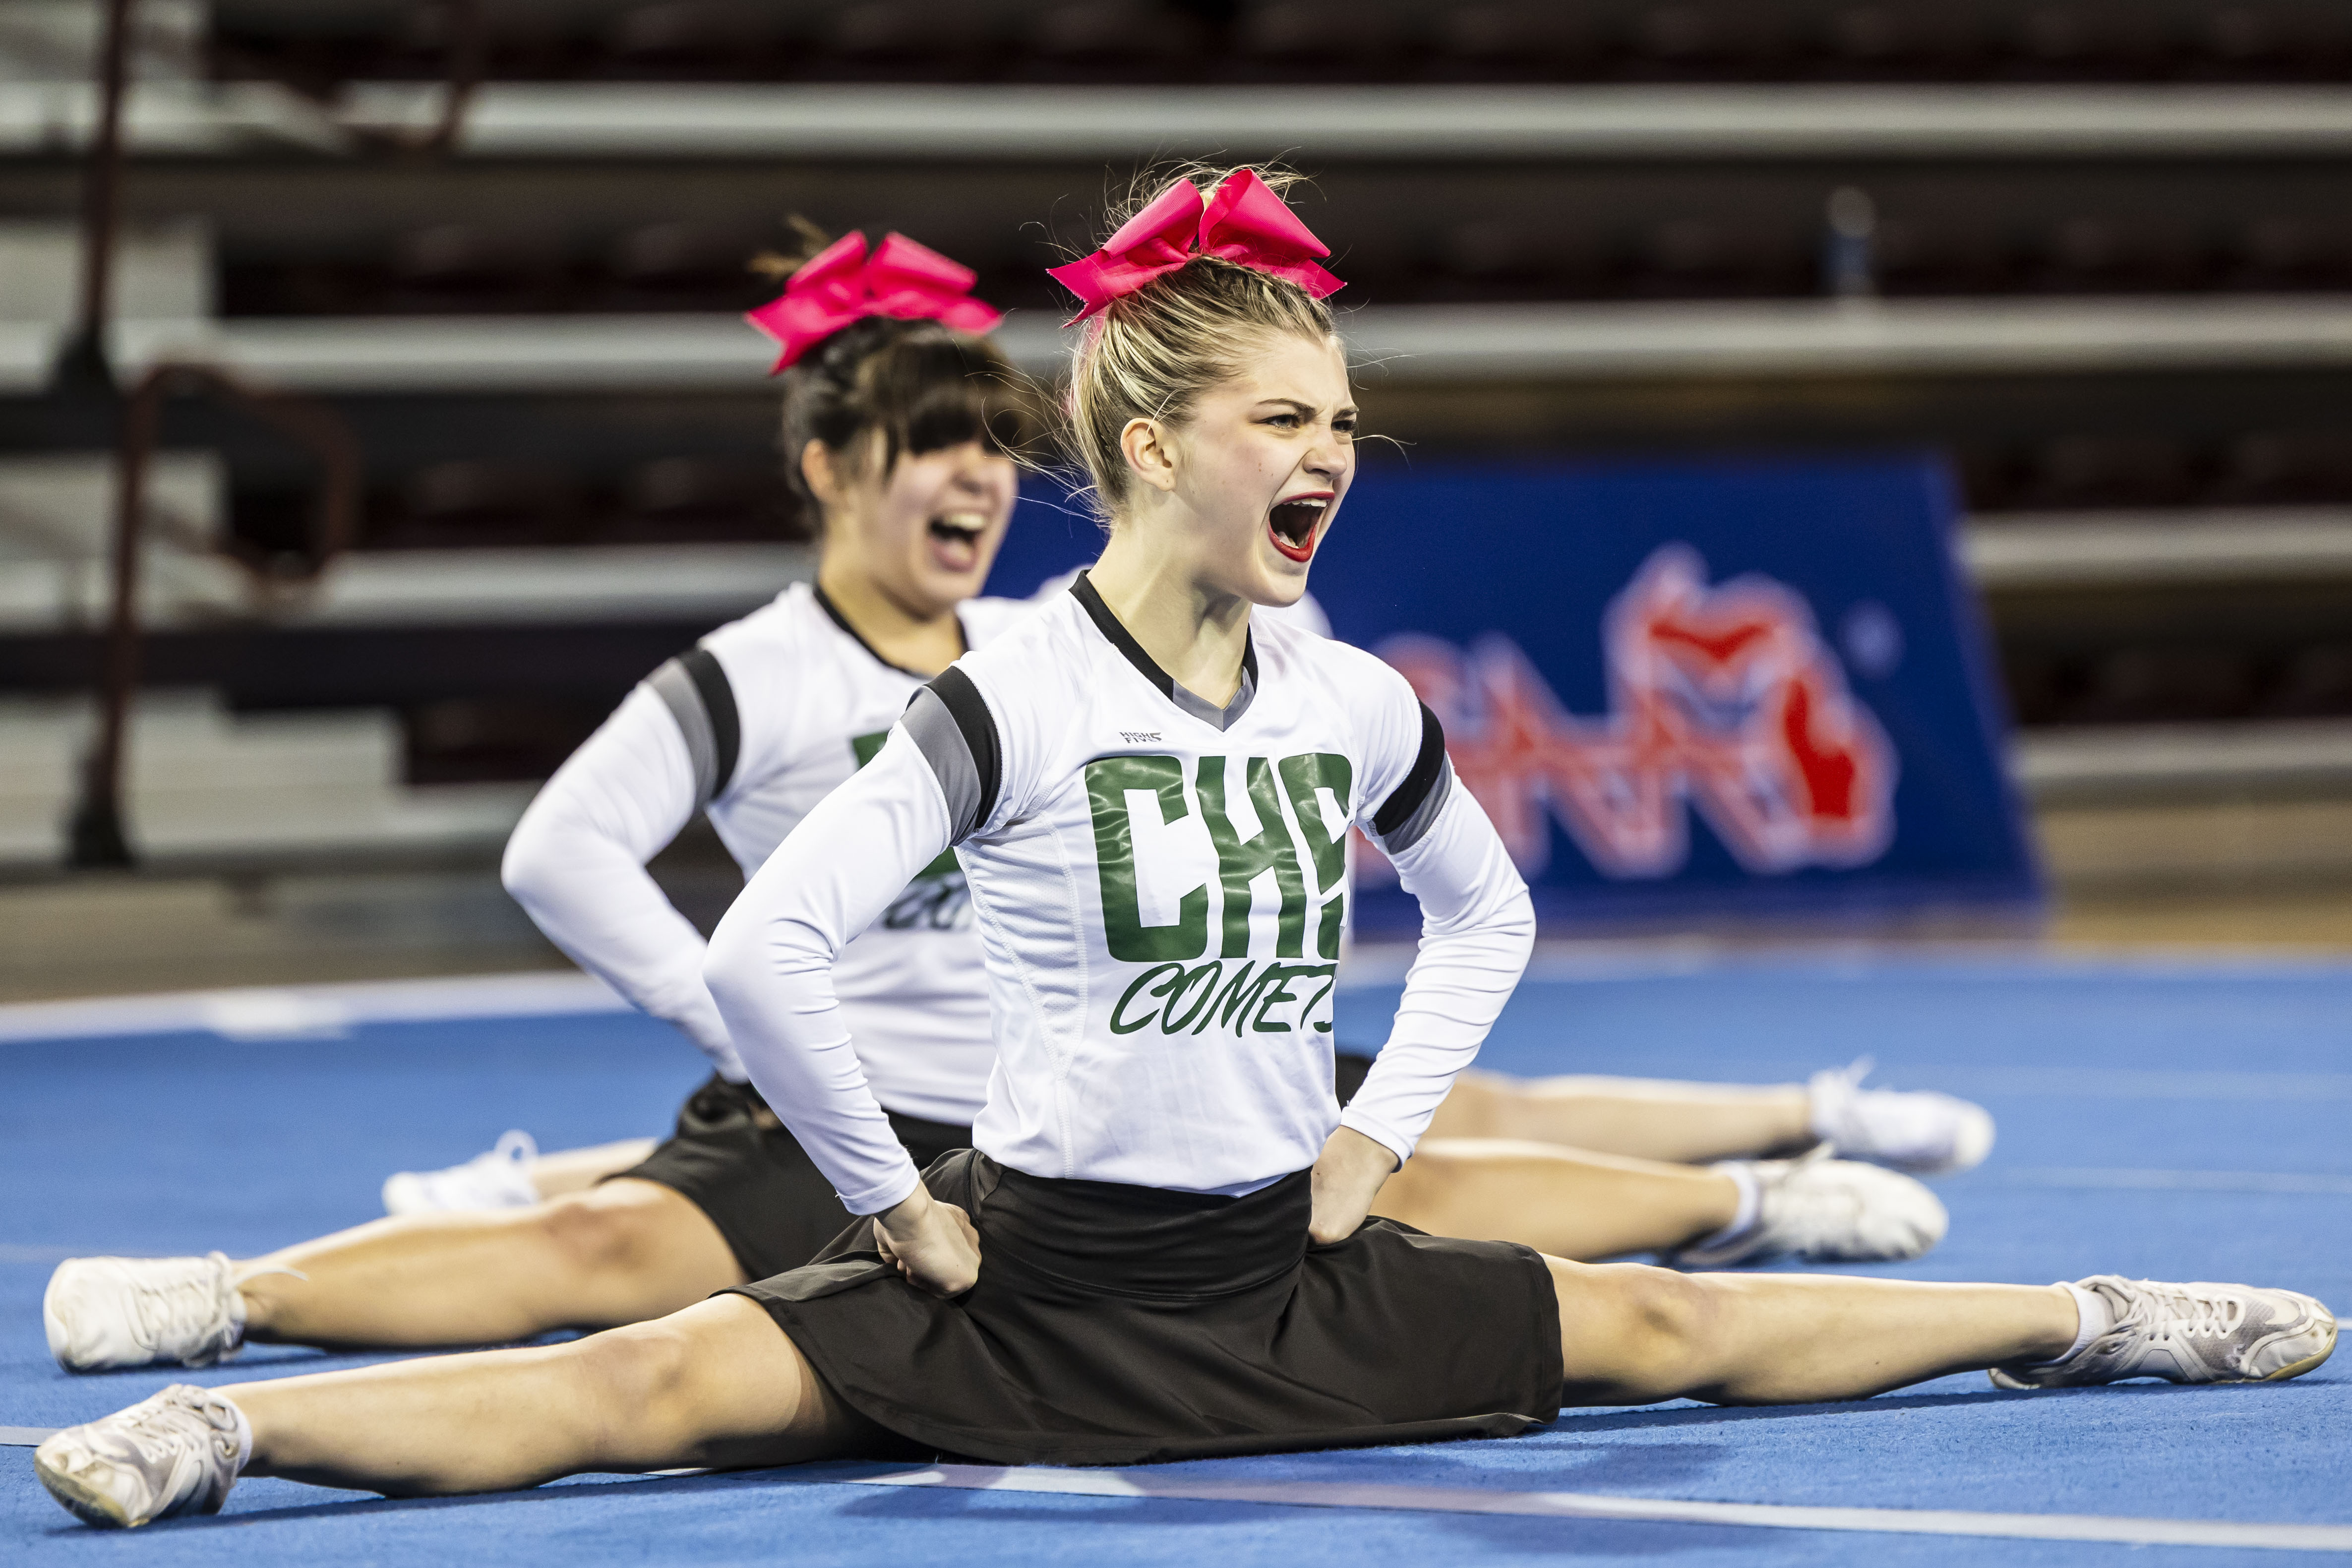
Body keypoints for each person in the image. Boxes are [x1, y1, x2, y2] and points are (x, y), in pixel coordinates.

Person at [38, 168, 2331, 1532]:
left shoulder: (1347, 695)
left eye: (1346, 418)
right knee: (625, 1374)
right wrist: (892, 1195)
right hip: (1026, 1286)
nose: (1334, 450)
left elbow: (1491, 906)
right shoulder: (1012, 684)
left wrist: (1372, 1135)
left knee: (1673, 1319)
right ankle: (222, 1413)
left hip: (1280, 1269)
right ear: (1147, 440)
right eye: (1285, 418)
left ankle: (2096, 1313)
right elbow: (771, 959)